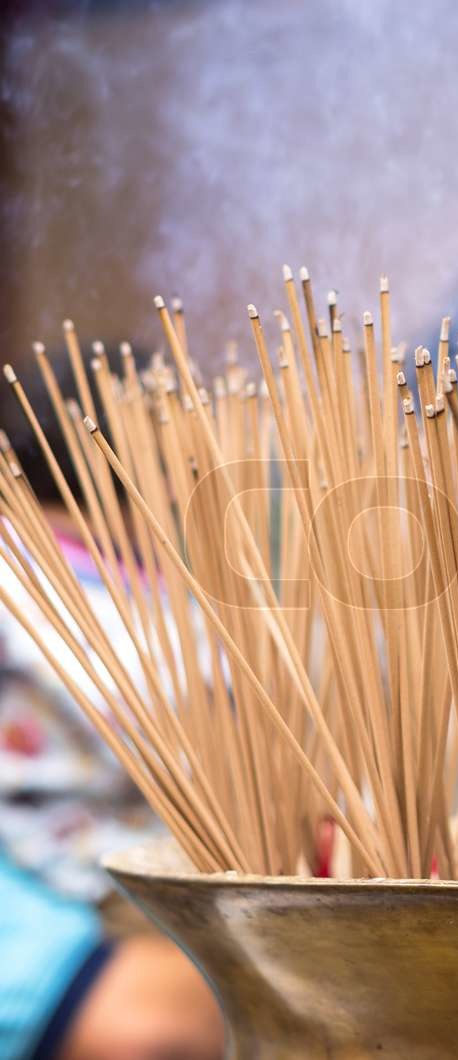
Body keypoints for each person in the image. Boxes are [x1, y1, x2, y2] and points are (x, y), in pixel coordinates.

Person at [0, 359, 224, 1058]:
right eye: (186, 462)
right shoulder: (31, 572)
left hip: (113, 887)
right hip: (61, 886)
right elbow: (157, 710)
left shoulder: (141, 580)